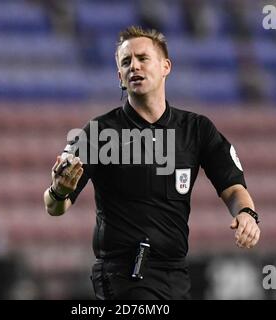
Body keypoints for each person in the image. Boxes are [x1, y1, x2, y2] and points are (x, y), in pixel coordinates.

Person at [44, 26, 261, 300]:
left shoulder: (196, 129)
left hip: (176, 274)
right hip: (123, 275)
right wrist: (59, 190)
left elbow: (233, 187)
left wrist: (247, 214)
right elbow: (54, 207)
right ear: (119, 77)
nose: (134, 66)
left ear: (165, 66)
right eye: (126, 62)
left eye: (142, 58)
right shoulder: (99, 133)